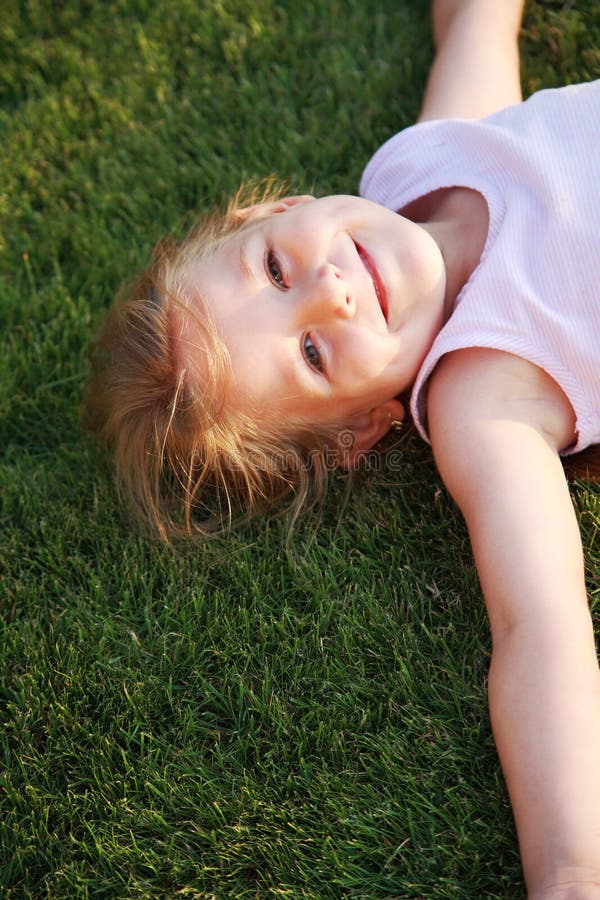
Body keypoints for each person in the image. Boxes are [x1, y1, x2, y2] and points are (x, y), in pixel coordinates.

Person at [85, 0, 600, 895]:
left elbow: (478, 28)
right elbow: (538, 626)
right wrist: (570, 869)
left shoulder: (421, 160)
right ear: (364, 426)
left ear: (282, 207)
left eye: (277, 269)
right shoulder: (486, 394)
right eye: (316, 355)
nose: (330, 290)